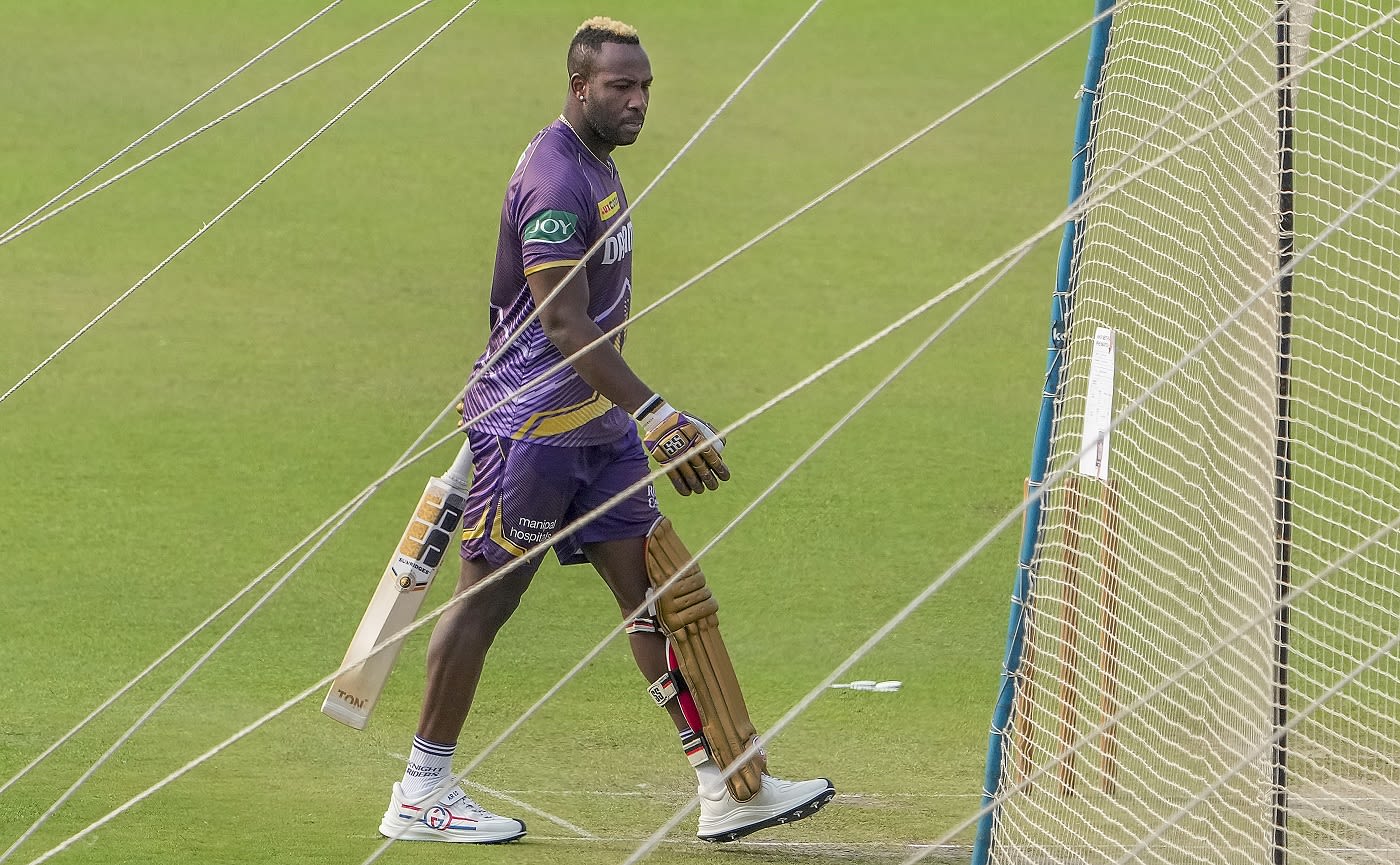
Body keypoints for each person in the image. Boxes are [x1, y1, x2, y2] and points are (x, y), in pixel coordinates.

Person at [377, 16, 834, 845]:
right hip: (533, 435)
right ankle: (421, 787)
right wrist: (658, 414)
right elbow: (559, 318)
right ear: (579, 85)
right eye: (621, 87)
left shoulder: (596, 165)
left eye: (646, 86)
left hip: (596, 433)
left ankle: (725, 784)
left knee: (663, 595)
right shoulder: (558, 180)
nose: (638, 101)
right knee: (486, 599)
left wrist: (637, 420)